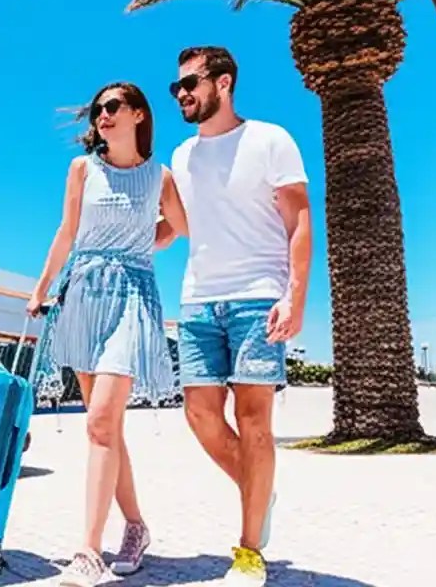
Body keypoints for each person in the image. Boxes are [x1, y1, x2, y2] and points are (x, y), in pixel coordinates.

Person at [159, 46, 312, 587]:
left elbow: (298, 221)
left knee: (254, 426)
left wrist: (294, 295)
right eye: (176, 87)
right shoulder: (180, 156)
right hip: (198, 299)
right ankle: (259, 490)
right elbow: (175, 228)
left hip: (258, 296)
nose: (181, 93)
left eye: (189, 83)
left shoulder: (271, 140)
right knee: (200, 414)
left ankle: (249, 552)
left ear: (223, 83)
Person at [28, 81, 188, 586]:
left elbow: (177, 228)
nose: (103, 116)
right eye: (98, 110)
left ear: (140, 115)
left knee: (100, 422)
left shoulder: (159, 178)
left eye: (113, 107)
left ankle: (88, 552)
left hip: (132, 298)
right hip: (83, 296)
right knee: (106, 429)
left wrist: (140, 248)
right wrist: (41, 289)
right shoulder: (82, 170)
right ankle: (136, 527)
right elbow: (66, 233)